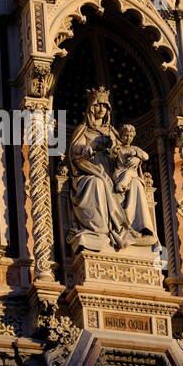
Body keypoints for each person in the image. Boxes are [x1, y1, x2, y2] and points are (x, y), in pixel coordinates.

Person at [65, 88, 133, 252]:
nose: (101, 109)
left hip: (111, 171)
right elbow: (75, 148)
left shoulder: (111, 132)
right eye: (97, 105)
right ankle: (98, 229)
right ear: (91, 107)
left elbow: (122, 150)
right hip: (88, 170)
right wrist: (85, 149)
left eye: (104, 106)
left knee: (133, 183)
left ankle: (122, 229)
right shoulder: (84, 129)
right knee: (97, 183)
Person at [112, 124, 158, 243]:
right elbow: (110, 159)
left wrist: (138, 157)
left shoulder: (135, 149)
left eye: (130, 136)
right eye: (126, 135)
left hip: (132, 175)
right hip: (118, 174)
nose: (128, 138)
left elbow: (146, 156)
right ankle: (121, 185)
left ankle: (138, 224)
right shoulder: (117, 148)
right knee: (129, 174)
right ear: (121, 136)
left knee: (136, 181)